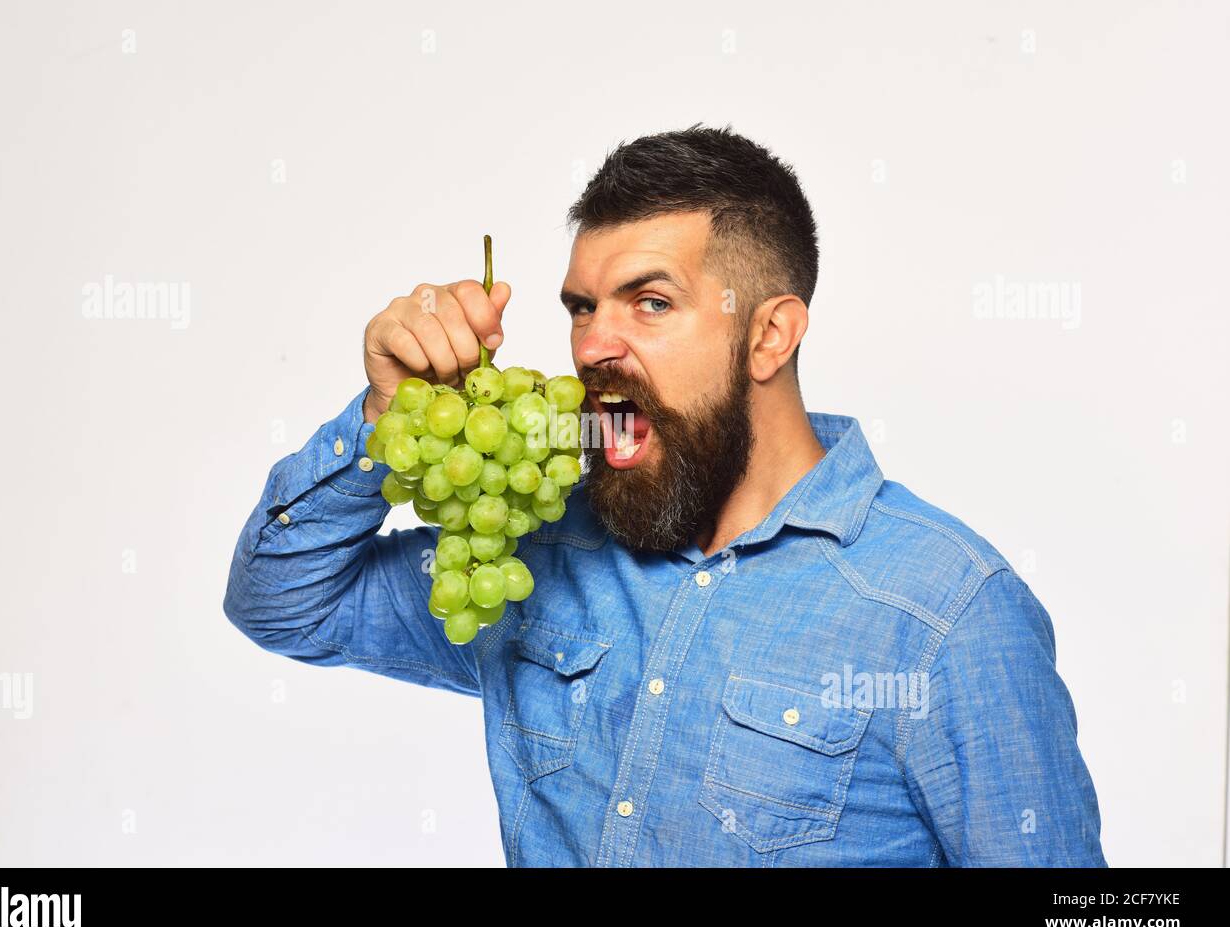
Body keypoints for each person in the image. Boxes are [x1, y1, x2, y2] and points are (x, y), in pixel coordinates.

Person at [223, 124, 1107, 867]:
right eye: (581, 307)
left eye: (649, 302)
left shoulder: (946, 613)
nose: (594, 345)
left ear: (770, 335)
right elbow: (285, 602)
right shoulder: (543, 548)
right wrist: (384, 420)